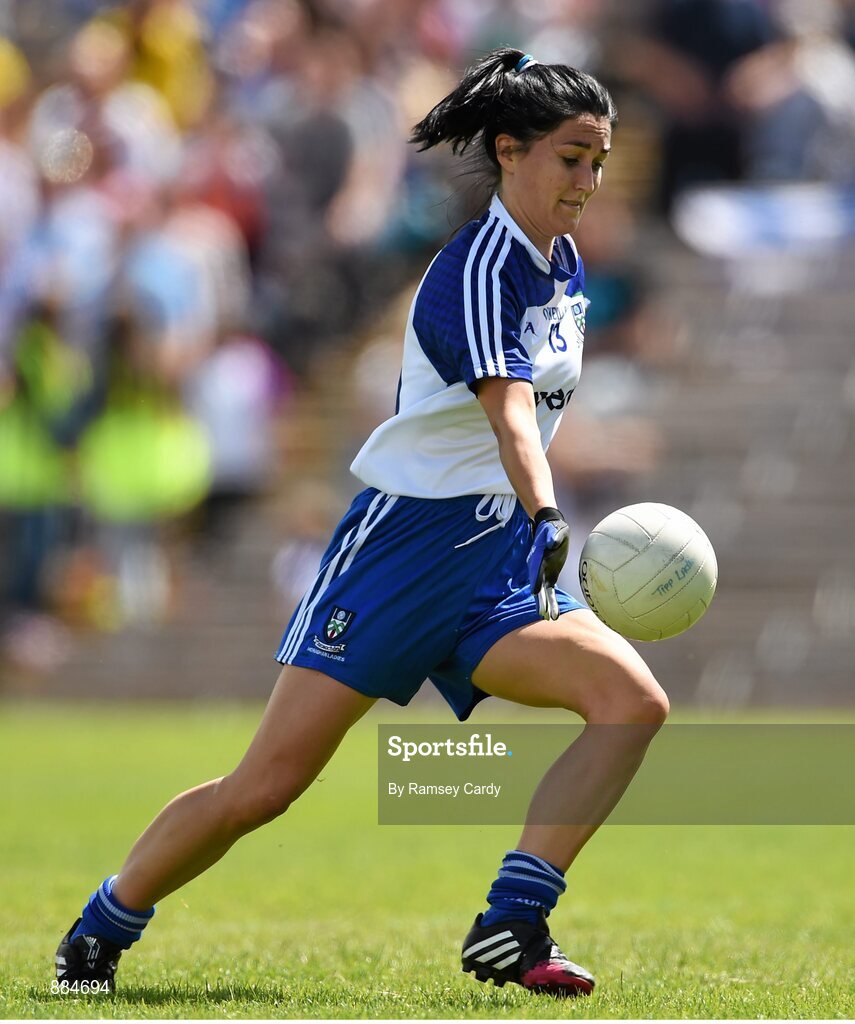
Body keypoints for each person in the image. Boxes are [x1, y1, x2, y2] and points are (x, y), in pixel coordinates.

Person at [55, 48, 669, 999]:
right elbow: (507, 411)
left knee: (631, 704)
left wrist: (535, 509)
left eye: (598, 160)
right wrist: (553, 507)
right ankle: (101, 927)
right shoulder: (477, 264)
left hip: (498, 556)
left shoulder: (564, 265)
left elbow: (530, 419)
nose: (586, 180)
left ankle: (511, 923)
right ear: (508, 152)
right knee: (265, 787)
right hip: (400, 554)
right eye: (569, 157)